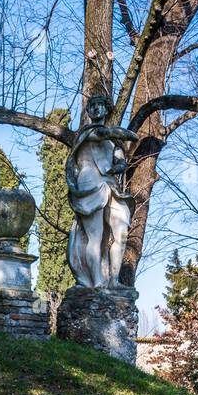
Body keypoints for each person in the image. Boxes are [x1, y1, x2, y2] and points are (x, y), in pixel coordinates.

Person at [66, 93, 137, 287]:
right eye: (92, 106)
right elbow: (109, 134)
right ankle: (96, 282)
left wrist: (119, 166)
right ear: (88, 111)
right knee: (95, 236)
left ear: (106, 109)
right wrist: (125, 134)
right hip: (89, 184)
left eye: (100, 105)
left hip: (111, 186)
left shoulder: (113, 141)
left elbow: (120, 159)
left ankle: (114, 280)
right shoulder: (86, 133)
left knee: (121, 233)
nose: (96, 109)